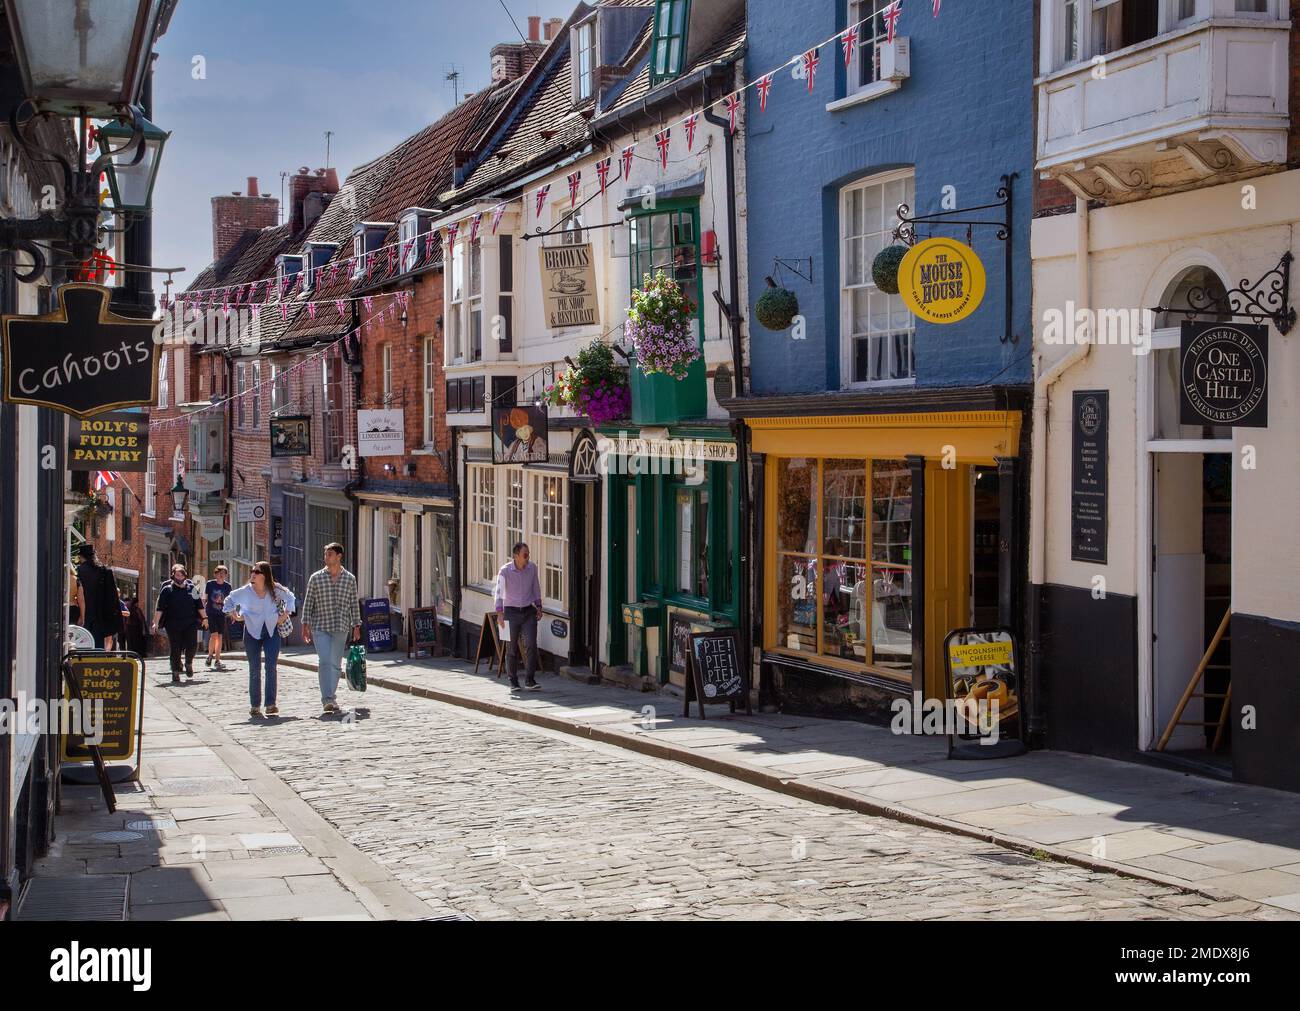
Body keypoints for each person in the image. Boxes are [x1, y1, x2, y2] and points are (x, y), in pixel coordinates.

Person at [224, 562, 295, 718]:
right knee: (254, 668)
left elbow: (290, 597)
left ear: (264, 575)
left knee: (271, 667)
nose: (253, 574)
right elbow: (228, 600)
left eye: (256, 572)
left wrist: (285, 615)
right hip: (251, 632)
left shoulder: (275, 589)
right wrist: (232, 614)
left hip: (271, 631)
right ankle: (255, 705)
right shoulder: (245, 591)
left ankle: (271, 704)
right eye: (252, 571)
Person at [300, 542, 361, 714]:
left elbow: (353, 604)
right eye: (326, 554)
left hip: (341, 626)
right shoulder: (316, 578)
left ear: (339, 556)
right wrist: (305, 624)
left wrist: (356, 625)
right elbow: (308, 602)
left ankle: (331, 695)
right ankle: (327, 698)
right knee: (324, 660)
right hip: (320, 626)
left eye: (330, 554)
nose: (326, 557)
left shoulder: (349, 579)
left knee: (335, 663)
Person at [494, 541, 543, 692]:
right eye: (525, 555)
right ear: (516, 556)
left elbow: (536, 586)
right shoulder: (505, 571)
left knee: (531, 645)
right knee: (511, 648)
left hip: (528, 611)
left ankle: (530, 679)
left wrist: (539, 606)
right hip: (510, 612)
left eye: (528, 555)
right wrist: (500, 614)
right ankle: (513, 681)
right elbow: (499, 592)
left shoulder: (532, 568)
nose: (528, 558)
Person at [153, 563, 207, 683]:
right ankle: (175, 672)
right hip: (172, 624)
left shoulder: (192, 588)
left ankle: (188, 663)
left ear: (185, 576)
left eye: (182, 575)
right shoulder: (167, 590)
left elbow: (199, 605)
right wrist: (155, 622)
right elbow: (160, 608)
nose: (180, 577)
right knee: (175, 648)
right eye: (177, 575)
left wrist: (205, 618)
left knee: (192, 645)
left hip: (190, 622)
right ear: (173, 576)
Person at [75, 544, 124, 650]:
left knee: (82, 644)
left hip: (85, 612)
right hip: (101, 614)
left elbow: (80, 595)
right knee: (98, 645)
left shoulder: (80, 571)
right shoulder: (104, 571)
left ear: (81, 557)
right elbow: (112, 594)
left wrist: (82, 616)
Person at [204, 565, 233, 671]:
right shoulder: (210, 584)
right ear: (215, 574)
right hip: (211, 612)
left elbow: (230, 601)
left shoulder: (227, 586)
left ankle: (217, 660)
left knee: (220, 636)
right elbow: (205, 599)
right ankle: (210, 655)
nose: (221, 575)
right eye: (219, 573)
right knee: (214, 635)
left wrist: (232, 613)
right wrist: (203, 615)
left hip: (222, 614)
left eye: (224, 573)